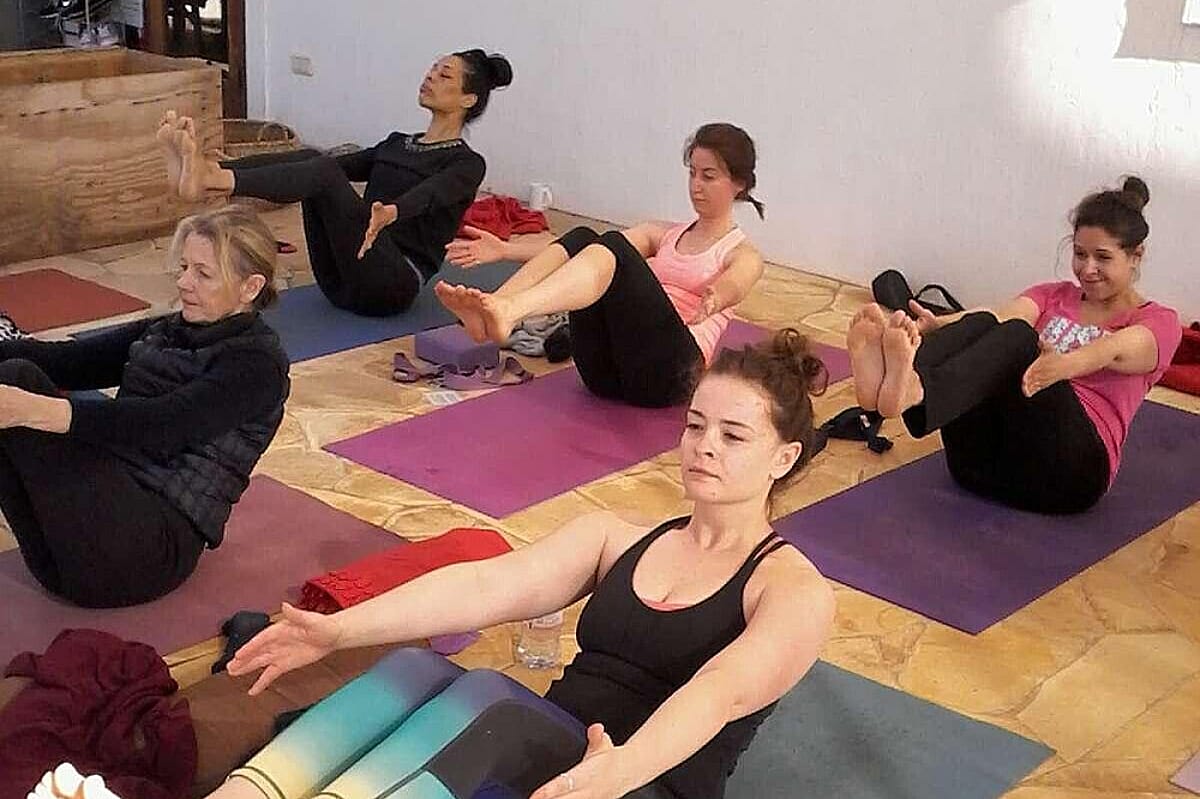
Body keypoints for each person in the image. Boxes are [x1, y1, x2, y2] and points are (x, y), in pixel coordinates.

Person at [82, 329, 831, 799]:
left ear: (784, 457)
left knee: (496, 710)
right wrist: (335, 633)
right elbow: (484, 585)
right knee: (415, 671)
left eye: (733, 436)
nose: (703, 445)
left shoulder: (792, 589)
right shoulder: (618, 534)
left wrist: (617, 772)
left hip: (637, 780)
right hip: (548, 741)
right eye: (697, 424)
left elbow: (716, 693)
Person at [0, 206, 290, 607]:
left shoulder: (257, 365)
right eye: (185, 267)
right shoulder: (169, 329)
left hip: (146, 553)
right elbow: (69, 361)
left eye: (203, 274)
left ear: (250, 287)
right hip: (67, 558)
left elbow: (164, 426)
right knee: (14, 371)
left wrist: (33, 410)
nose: (184, 282)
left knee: (19, 389)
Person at [848, 176, 1181, 514]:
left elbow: (1114, 349)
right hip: (977, 468)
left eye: (1102, 257)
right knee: (984, 324)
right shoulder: (1054, 294)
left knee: (1020, 338)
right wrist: (941, 326)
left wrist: (1063, 365)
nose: (1088, 268)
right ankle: (894, 386)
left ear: (1136, 256)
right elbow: (1001, 314)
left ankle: (914, 392)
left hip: (1070, 477)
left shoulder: (1159, 322)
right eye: (1080, 254)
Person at [156, 50, 513, 317]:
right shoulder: (396, 142)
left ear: (469, 99)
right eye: (433, 70)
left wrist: (391, 211)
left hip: (393, 285)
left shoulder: (466, 163)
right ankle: (211, 174)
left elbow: (433, 195)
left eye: (445, 75)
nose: (431, 77)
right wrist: (232, 166)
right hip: (341, 281)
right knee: (315, 160)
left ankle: (214, 178)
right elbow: (323, 165)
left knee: (324, 171)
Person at [437, 123, 767, 408]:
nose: (696, 185)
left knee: (612, 246)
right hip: (606, 375)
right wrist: (505, 250)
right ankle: (497, 306)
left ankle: (511, 310)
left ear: (738, 184)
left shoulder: (740, 252)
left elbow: (738, 281)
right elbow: (590, 255)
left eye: (708, 176)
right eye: (692, 173)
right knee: (586, 237)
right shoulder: (665, 233)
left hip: (669, 377)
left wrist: (716, 296)